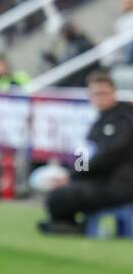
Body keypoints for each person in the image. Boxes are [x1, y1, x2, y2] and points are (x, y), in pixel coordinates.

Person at [39, 70, 133, 234]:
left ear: (114, 92)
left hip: (119, 184)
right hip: (102, 180)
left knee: (60, 197)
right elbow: (88, 154)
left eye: (103, 93)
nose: (100, 98)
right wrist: (73, 173)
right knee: (56, 194)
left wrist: (73, 175)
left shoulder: (124, 118)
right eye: (95, 94)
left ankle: (72, 227)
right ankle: (68, 225)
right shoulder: (101, 120)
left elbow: (108, 156)